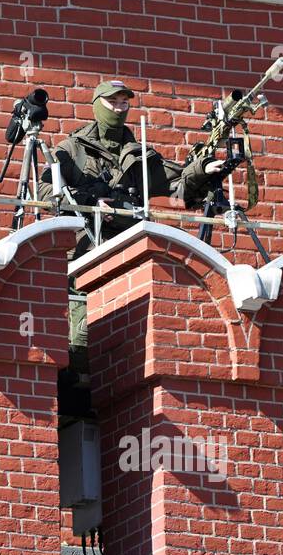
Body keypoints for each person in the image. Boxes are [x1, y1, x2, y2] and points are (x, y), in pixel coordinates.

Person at [42, 79, 228, 363]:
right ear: (97, 104)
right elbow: (45, 191)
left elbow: (176, 186)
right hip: (87, 248)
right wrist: (90, 202)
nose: (119, 108)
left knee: (128, 335)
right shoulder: (72, 149)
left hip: (128, 248)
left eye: (124, 102)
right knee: (82, 332)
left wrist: (202, 169)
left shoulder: (139, 154)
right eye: (112, 102)